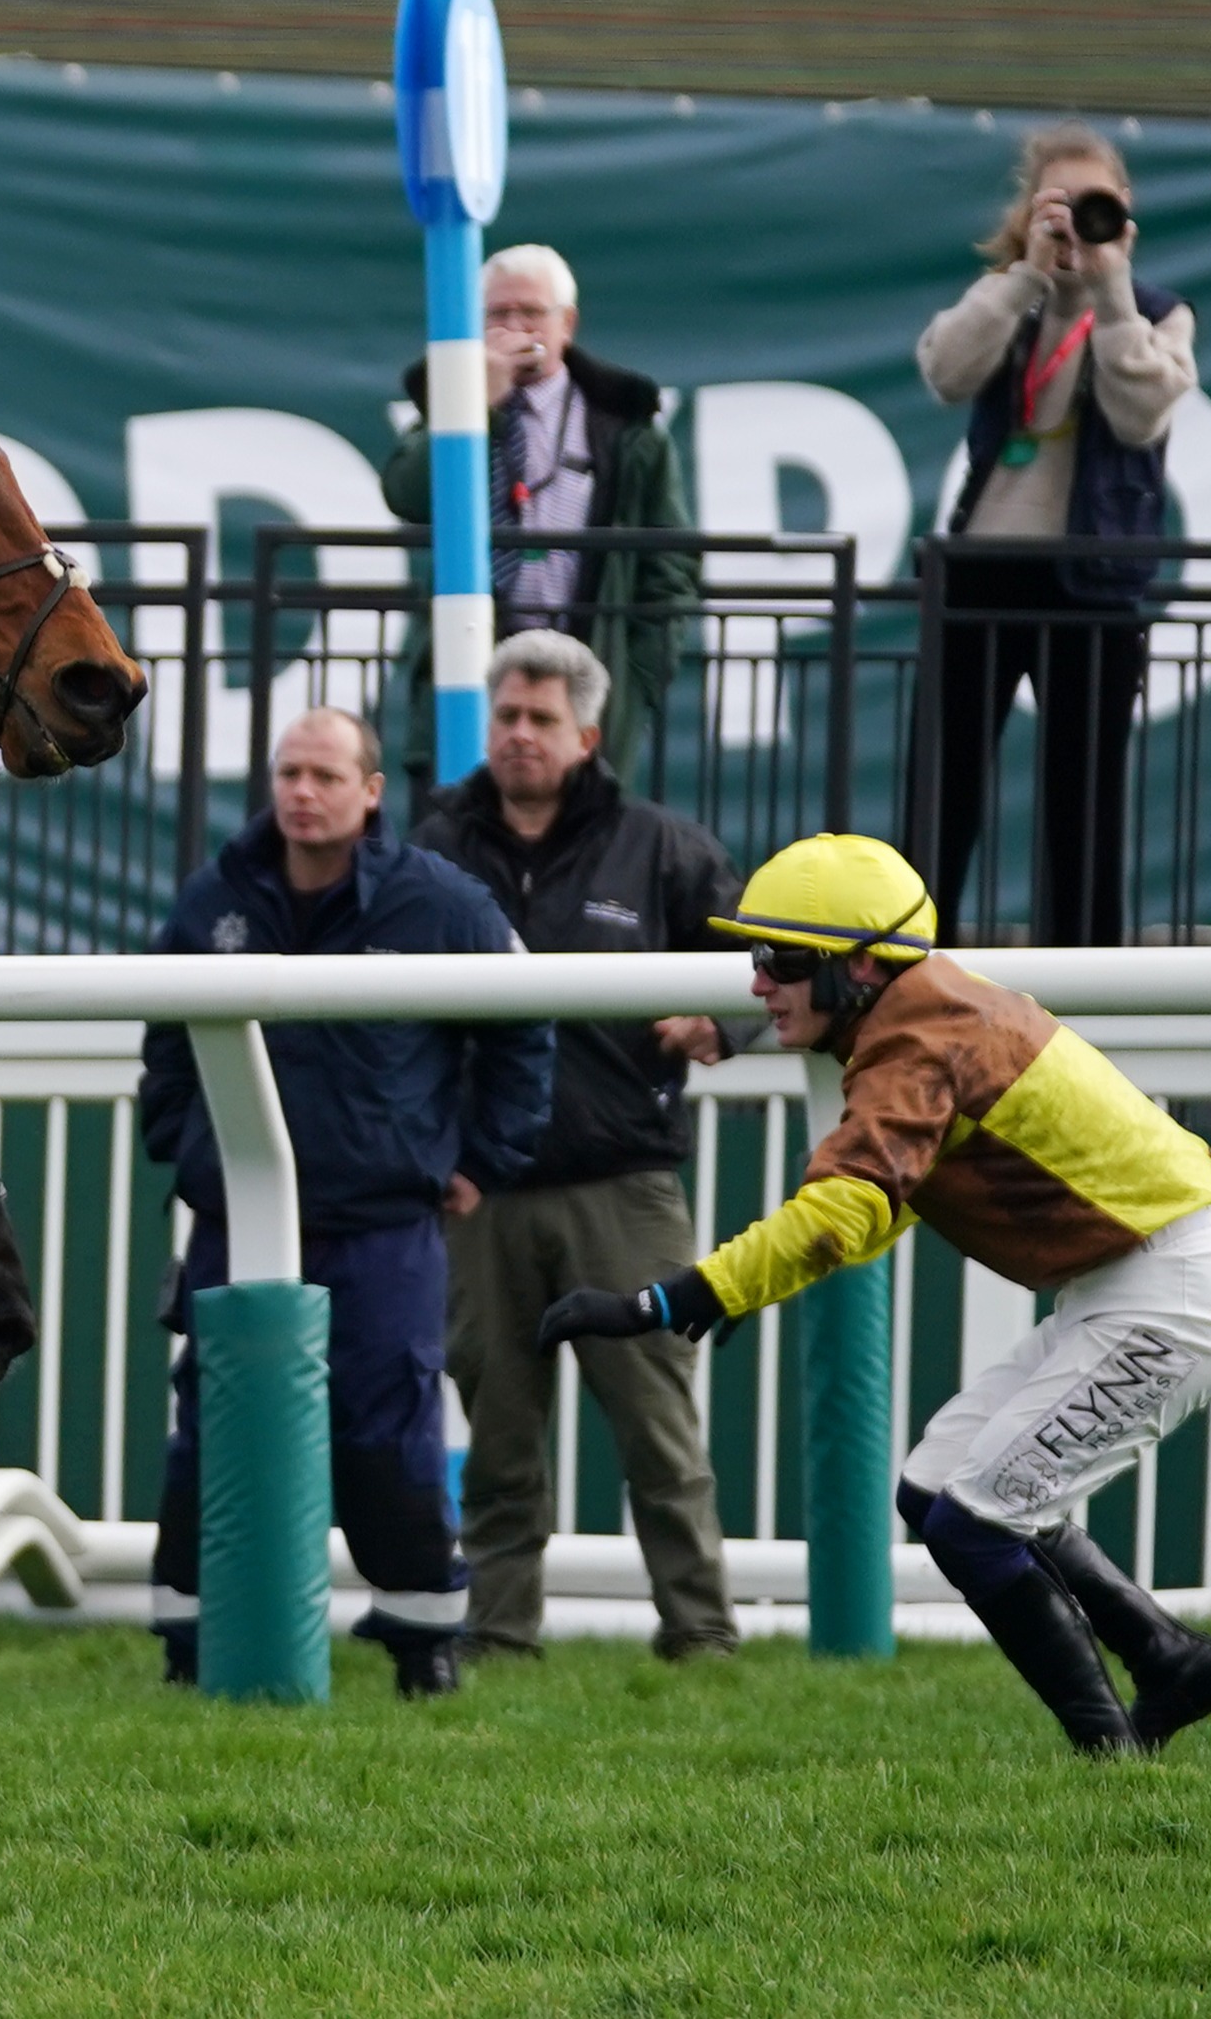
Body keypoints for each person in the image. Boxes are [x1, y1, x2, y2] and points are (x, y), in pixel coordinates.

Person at [542, 832, 1211, 1755]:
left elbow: (841, 1210)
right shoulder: (925, 1010)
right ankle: (1170, 1660)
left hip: (1170, 1290)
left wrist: (672, 1299)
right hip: (1140, 1276)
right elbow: (885, 1202)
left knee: (976, 1519)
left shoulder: (921, 1037)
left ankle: (1107, 1750)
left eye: (780, 960)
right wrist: (733, 1290)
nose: (757, 983)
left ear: (861, 964)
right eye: (756, 957)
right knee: (933, 1493)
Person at [138, 706, 553, 1698]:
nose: (301, 792)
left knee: (385, 1439)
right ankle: (188, 1645)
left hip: (381, 1230)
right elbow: (165, 1040)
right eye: (288, 772)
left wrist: (482, 1159)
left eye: (324, 775)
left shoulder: (438, 903)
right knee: (213, 1433)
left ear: (370, 792)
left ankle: (423, 1645)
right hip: (236, 1226)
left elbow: (525, 1025)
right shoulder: (215, 899)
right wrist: (185, 1148)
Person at [408, 629, 746, 1662]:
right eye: (506, 714)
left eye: (541, 718)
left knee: (658, 1430)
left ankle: (700, 1632)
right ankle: (498, 1634)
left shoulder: (662, 847)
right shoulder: (434, 844)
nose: (518, 733)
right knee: (497, 1436)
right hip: (480, 1189)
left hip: (623, 1183)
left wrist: (724, 1021)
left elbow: (761, 960)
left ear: (587, 736)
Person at [916, 124, 1197, 948]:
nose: (1078, 222)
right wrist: (1024, 278)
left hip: (1093, 577)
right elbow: (944, 370)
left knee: (1085, 801)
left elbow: (1141, 416)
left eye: (1094, 204)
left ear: (1125, 212)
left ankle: (1085, 981)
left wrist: (1111, 291)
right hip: (982, 568)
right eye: (1059, 204)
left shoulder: (1158, 313)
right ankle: (909, 965)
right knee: (942, 793)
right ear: (1031, 209)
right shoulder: (1008, 296)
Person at [383, 243, 700, 786]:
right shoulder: (454, 405)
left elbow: (671, 561)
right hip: (475, 660)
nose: (514, 329)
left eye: (531, 313)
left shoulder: (624, 425)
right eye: (498, 315)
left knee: (585, 825)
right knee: (462, 818)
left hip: (586, 661)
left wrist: (639, 674)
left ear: (566, 325)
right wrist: (473, 405)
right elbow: (407, 494)